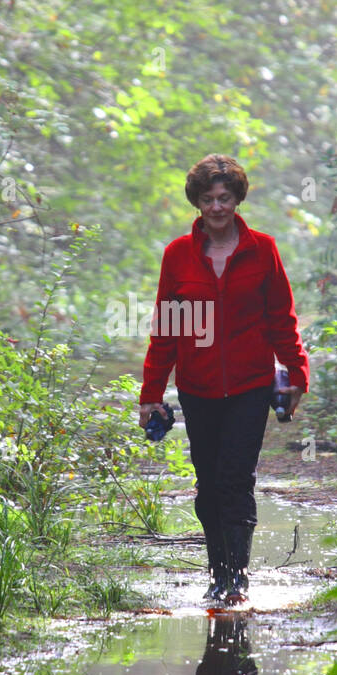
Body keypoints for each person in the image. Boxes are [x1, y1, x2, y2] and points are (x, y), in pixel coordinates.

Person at [139, 154, 309, 605]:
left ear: (237, 199)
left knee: (236, 480)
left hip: (251, 386)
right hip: (198, 389)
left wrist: (296, 374)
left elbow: (282, 319)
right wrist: (151, 394)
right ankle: (218, 574)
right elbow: (166, 329)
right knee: (209, 483)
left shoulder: (263, 249)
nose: (217, 207)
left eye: (225, 198)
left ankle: (236, 580)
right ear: (197, 202)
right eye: (208, 199)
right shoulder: (178, 255)